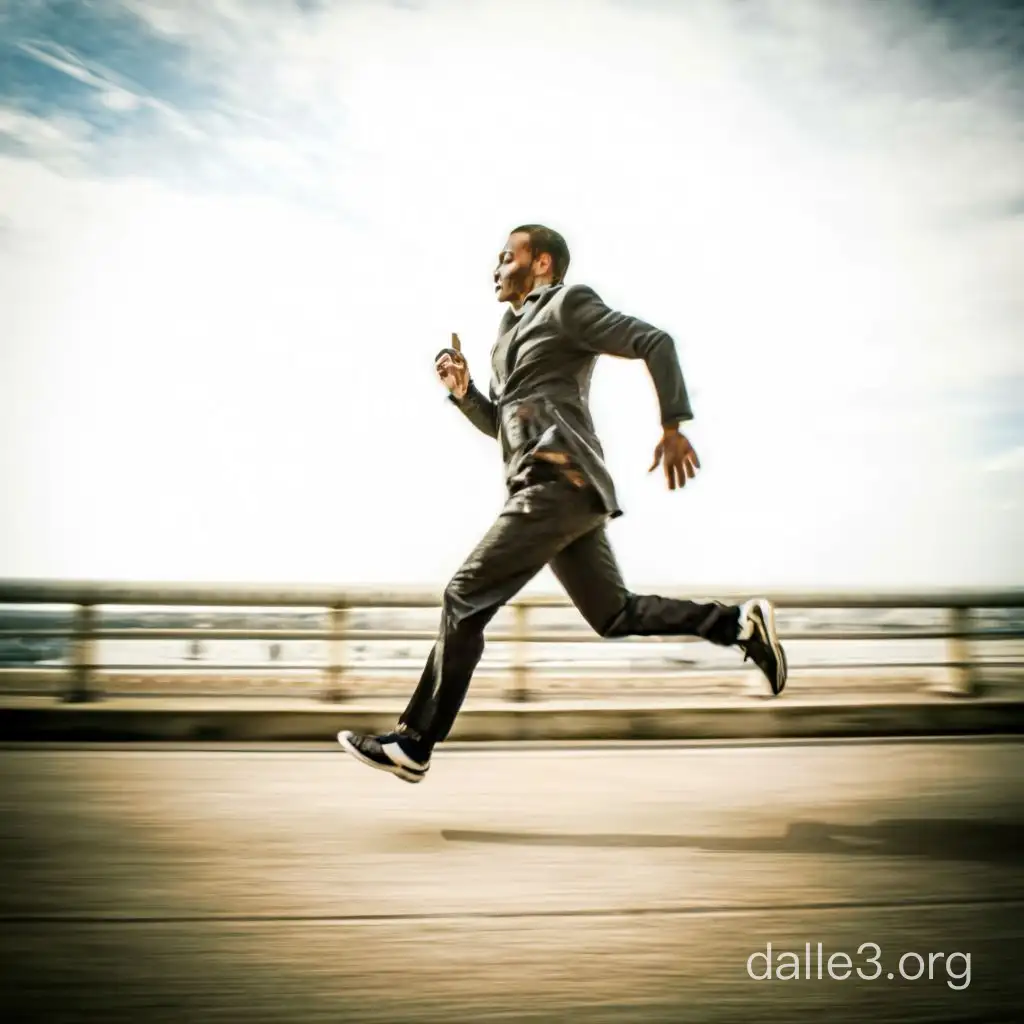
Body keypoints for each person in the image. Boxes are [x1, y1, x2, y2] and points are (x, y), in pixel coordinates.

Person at [338, 224, 787, 783]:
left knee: (464, 595)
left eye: (507, 257)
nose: (495, 268)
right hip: (551, 488)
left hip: (557, 479)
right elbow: (502, 422)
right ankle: (740, 625)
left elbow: (656, 341)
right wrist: (464, 393)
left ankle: (416, 741)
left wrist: (673, 424)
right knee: (614, 614)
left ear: (542, 264)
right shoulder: (505, 336)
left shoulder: (568, 305)